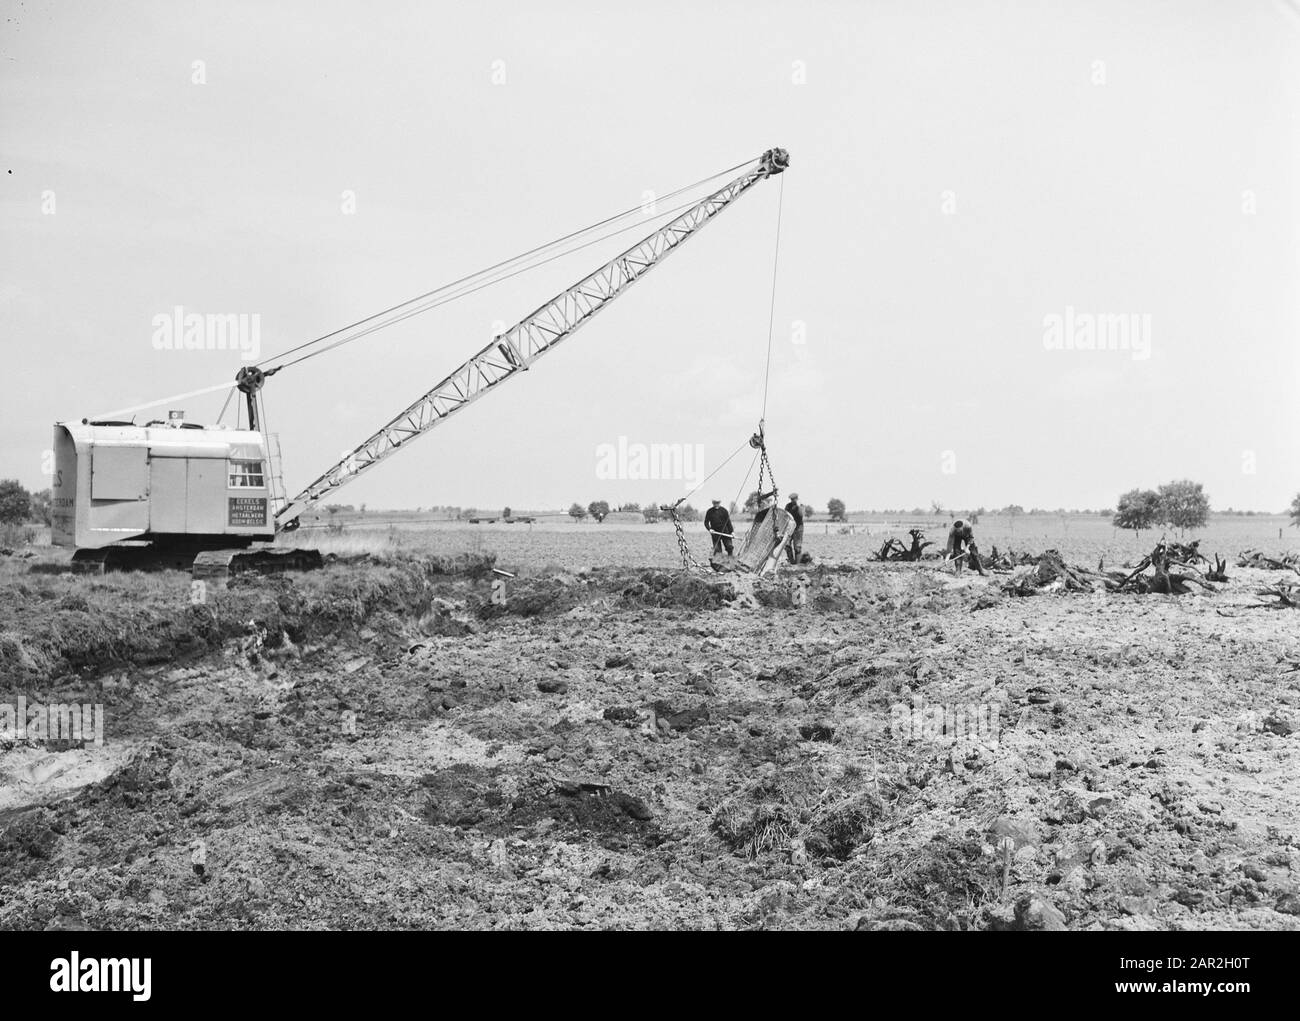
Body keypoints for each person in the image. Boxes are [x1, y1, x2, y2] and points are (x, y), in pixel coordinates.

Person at [784, 493, 804, 564]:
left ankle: (798, 564)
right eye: (791, 499)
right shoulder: (788, 506)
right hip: (790, 528)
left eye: (794, 499)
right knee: (787, 545)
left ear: (797, 498)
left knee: (797, 547)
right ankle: (791, 562)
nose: (793, 501)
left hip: (798, 528)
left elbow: (801, 515)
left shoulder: (800, 506)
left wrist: (798, 506)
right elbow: (785, 516)